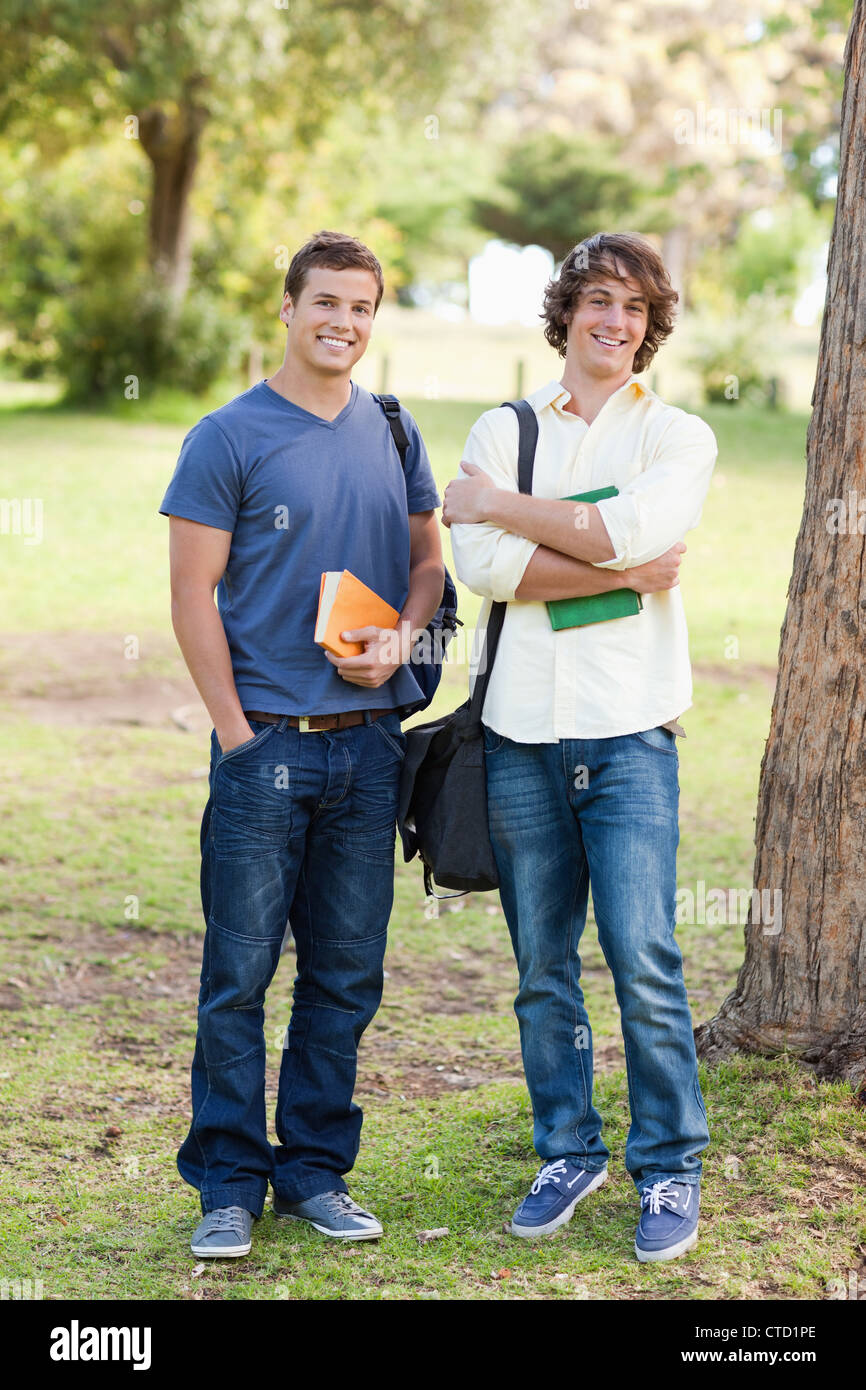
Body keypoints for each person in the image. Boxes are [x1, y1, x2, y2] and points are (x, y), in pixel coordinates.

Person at [159, 230, 444, 1257]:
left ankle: (313, 1172)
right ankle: (228, 1182)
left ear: (374, 317)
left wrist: (405, 638)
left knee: (344, 975)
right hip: (262, 749)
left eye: (361, 307)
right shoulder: (227, 436)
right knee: (237, 974)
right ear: (287, 307)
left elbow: (427, 564)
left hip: (368, 753)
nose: (342, 322)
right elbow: (191, 594)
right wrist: (235, 735)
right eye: (324, 302)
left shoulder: (391, 429)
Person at [443, 231, 717, 1263]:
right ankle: (566, 1147)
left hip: (631, 734)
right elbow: (485, 567)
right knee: (539, 967)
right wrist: (608, 558)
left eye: (635, 309)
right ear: (566, 313)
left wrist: (509, 512)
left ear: (650, 330)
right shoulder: (503, 425)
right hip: (517, 737)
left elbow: (629, 535)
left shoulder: (676, 436)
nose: (614, 321)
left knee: (642, 956)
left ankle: (668, 1166)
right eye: (597, 300)